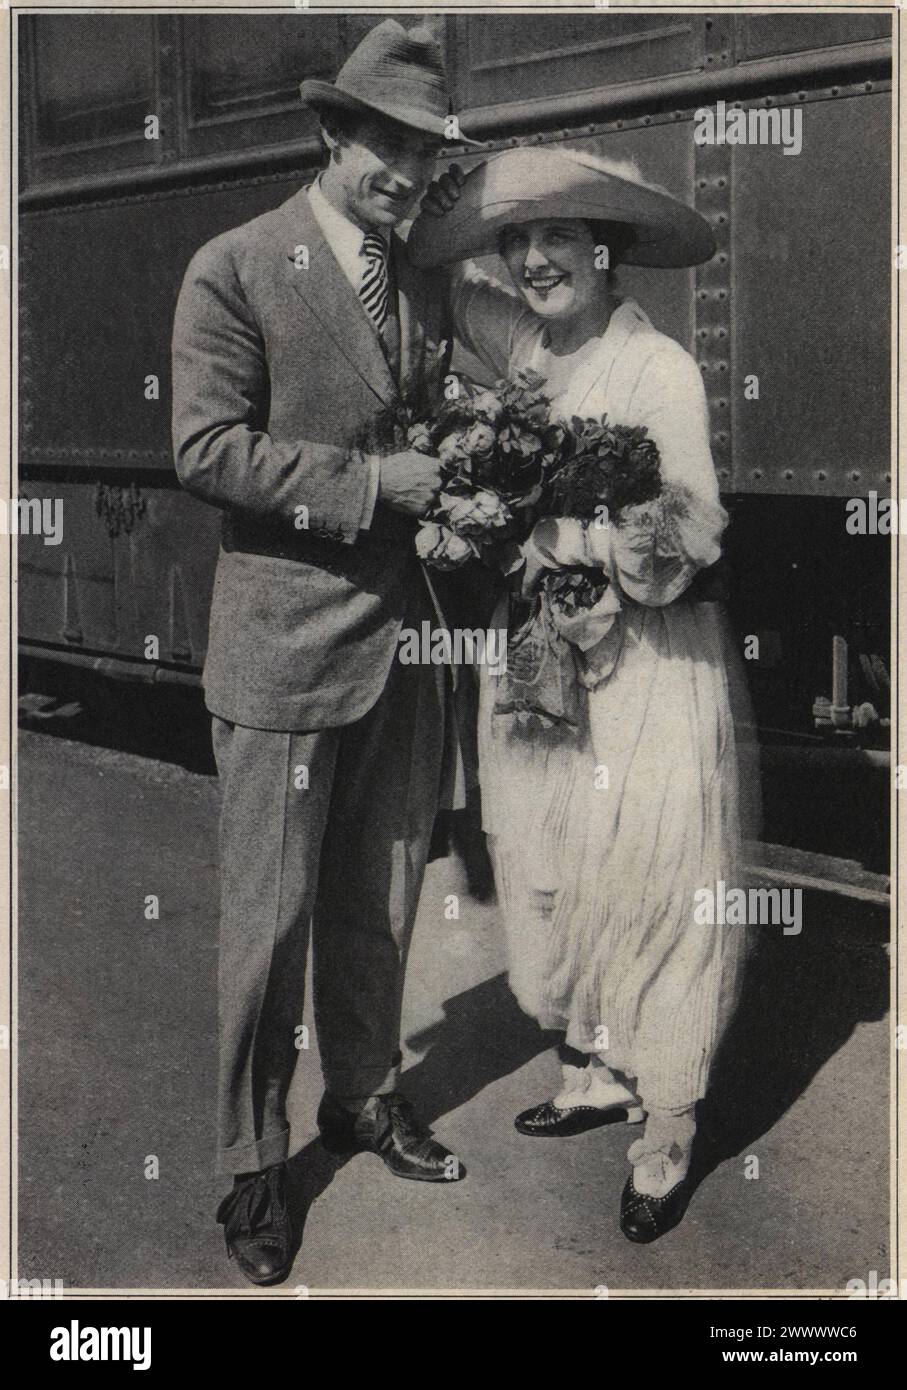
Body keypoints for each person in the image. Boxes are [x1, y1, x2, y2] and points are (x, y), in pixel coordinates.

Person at [171, 20, 473, 1286]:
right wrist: (373, 484)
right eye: (385, 145)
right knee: (271, 924)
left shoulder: (418, 282)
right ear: (331, 133)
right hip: (284, 655)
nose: (404, 173)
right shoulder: (236, 266)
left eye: (422, 152)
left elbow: (433, 418)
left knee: (380, 902)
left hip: (399, 649)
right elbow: (203, 450)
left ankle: (363, 1096)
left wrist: (462, 481)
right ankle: (252, 1165)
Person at [410, 147, 756, 1243]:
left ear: (606, 254)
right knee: (554, 858)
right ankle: (598, 1066)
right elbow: (442, 287)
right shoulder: (527, 350)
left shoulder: (656, 370)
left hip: (648, 663)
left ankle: (666, 1123)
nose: (532, 258)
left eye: (558, 237)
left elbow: (693, 523)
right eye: (518, 240)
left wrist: (585, 544)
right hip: (545, 663)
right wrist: (438, 200)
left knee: (651, 877)